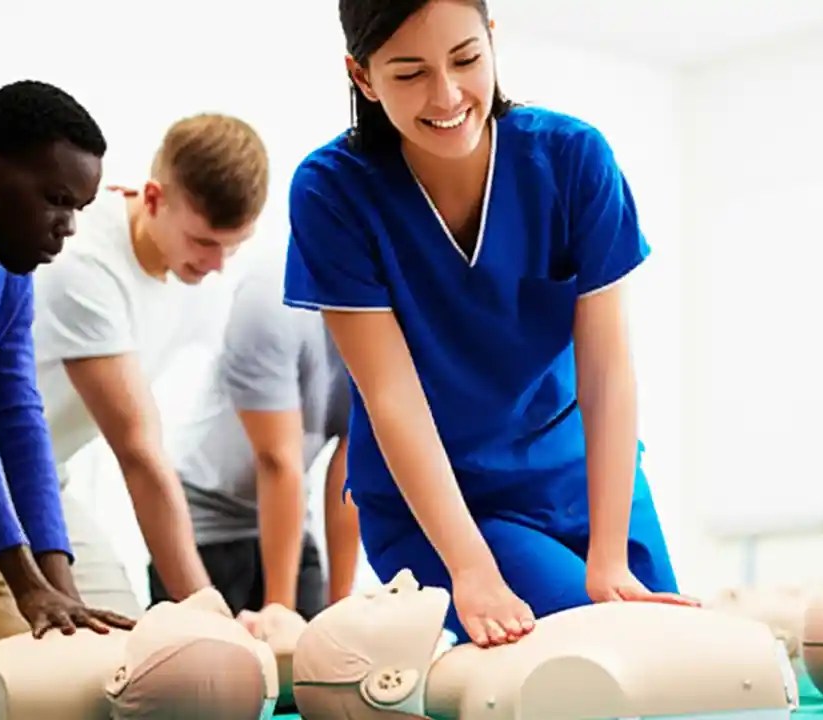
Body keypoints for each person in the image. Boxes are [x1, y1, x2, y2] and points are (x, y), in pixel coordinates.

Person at [283, 0, 695, 648]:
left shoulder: (572, 159)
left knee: (683, 666)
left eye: (467, 59)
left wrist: (610, 554)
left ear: (491, 40)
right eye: (410, 72)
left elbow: (607, 370)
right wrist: (470, 568)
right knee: (596, 656)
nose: (446, 94)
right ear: (362, 78)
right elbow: (390, 396)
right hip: (443, 508)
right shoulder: (333, 192)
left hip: (583, 480)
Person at [30, 112, 269, 619]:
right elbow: (138, 451)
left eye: (233, 246)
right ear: (154, 198)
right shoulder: (83, 263)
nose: (216, 265)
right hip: (0, 482)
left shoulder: (198, 271)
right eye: (204, 242)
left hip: (42, 482)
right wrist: (210, 611)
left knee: (123, 646)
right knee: (63, 671)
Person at [0, 79, 135, 639]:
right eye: (55, 199)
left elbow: (16, 414)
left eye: (77, 208)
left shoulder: (11, 271)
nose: (68, 226)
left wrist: (60, 588)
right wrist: (28, 585)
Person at [161, 256, 358, 618]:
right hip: (206, 524)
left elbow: (352, 467)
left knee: (319, 657)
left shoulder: (385, 326)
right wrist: (278, 610)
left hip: (290, 523)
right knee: (218, 669)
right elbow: (277, 459)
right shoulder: (272, 296)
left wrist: (341, 611)